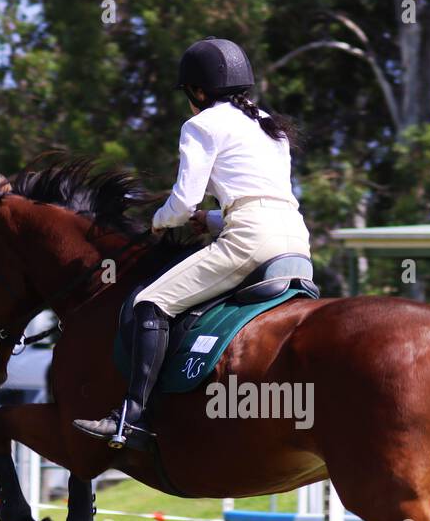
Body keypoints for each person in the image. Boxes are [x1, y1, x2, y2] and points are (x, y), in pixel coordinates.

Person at [74, 37, 310, 448]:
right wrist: (212, 219)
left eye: (189, 94)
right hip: (295, 240)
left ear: (198, 92)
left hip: (249, 239)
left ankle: (132, 418)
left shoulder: (201, 125)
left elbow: (183, 201)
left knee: (151, 302)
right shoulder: (270, 126)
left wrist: (159, 222)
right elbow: (263, 199)